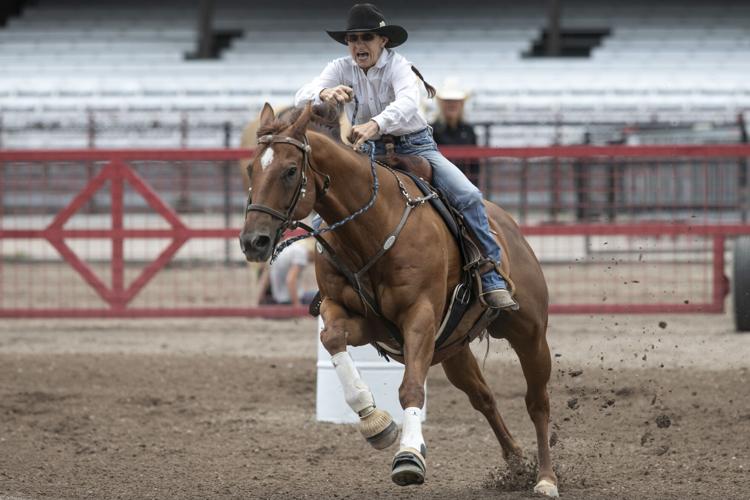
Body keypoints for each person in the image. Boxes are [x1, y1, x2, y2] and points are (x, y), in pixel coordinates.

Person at [294, 3, 516, 310]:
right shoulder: (339, 68)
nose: (359, 44)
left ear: (382, 41)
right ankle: (335, 282)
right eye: (353, 38)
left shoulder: (400, 66)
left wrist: (375, 124)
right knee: (325, 216)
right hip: (368, 150)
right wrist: (323, 94)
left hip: (416, 147)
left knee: (468, 196)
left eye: (366, 37)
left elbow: (409, 102)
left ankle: (491, 275)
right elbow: (303, 93)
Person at [430, 79, 480, 186]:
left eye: (455, 101)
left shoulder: (469, 131)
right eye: (448, 101)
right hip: (437, 185)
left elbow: (475, 165)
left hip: (465, 184)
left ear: (461, 104)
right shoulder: (431, 130)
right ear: (441, 104)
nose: (452, 105)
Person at [256, 238, 316, 307]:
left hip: (278, 300)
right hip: (290, 300)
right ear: (312, 252)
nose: (312, 262)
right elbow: (290, 280)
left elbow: (265, 280)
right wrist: (297, 305)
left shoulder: (280, 248)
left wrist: (258, 303)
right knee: (321, 296)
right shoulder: (301, 253)